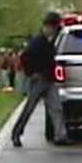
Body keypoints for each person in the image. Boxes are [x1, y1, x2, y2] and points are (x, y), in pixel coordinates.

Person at [11, 11, 71, 147]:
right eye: (54, 28)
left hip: (49, 80)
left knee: (56, 108)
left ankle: (60, 135)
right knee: (29, 108)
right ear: (49, 26)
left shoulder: (49, 41)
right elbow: (25, 57)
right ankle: (16, 133)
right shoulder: (38, 41)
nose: (55, 31)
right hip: (39, 79)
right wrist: (31, 73)